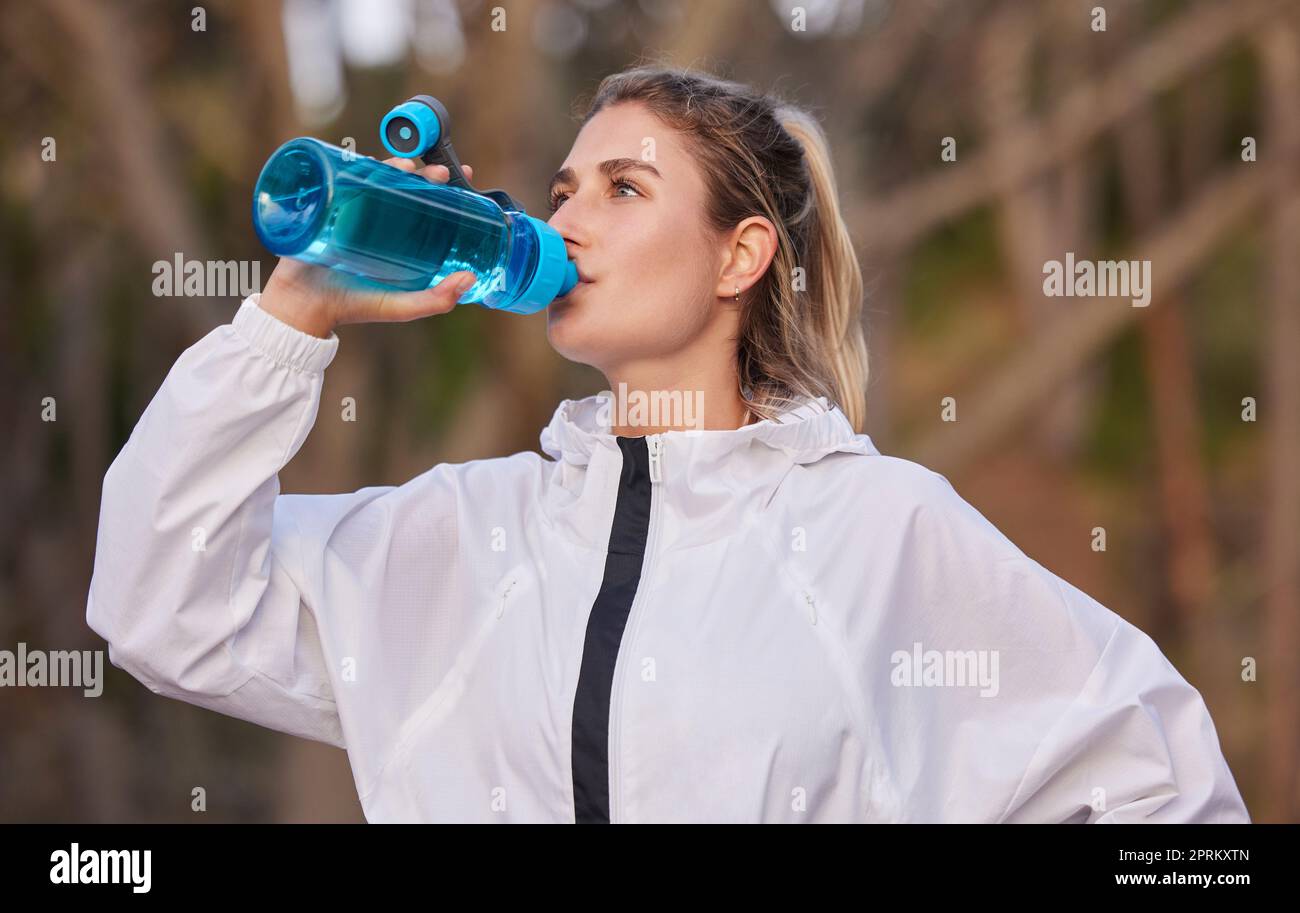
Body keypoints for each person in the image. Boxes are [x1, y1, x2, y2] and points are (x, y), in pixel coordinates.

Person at [85, 65, 1250, 823]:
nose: (563, 219)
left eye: (624, 189)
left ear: (739, 257)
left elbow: (1169, 794)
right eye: (561, 186)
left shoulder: (877, 530)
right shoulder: (456, 536)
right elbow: (160, 601)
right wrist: (288, 319)